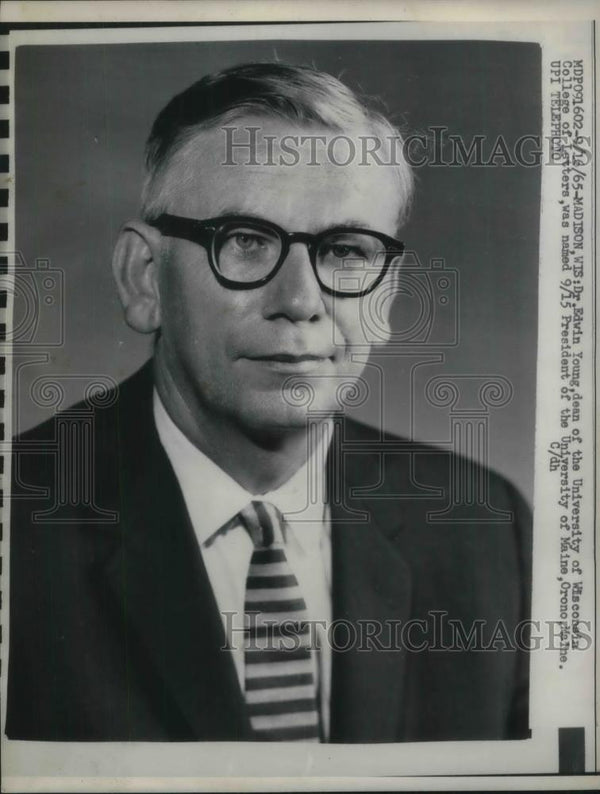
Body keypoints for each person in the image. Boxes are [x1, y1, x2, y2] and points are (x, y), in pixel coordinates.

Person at [6, 62, 531, 743]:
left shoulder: (486, 530)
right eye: (246, 242)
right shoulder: (20, 526)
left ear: (388, 293)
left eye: (346, 251)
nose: (301, 301)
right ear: (145, 280)